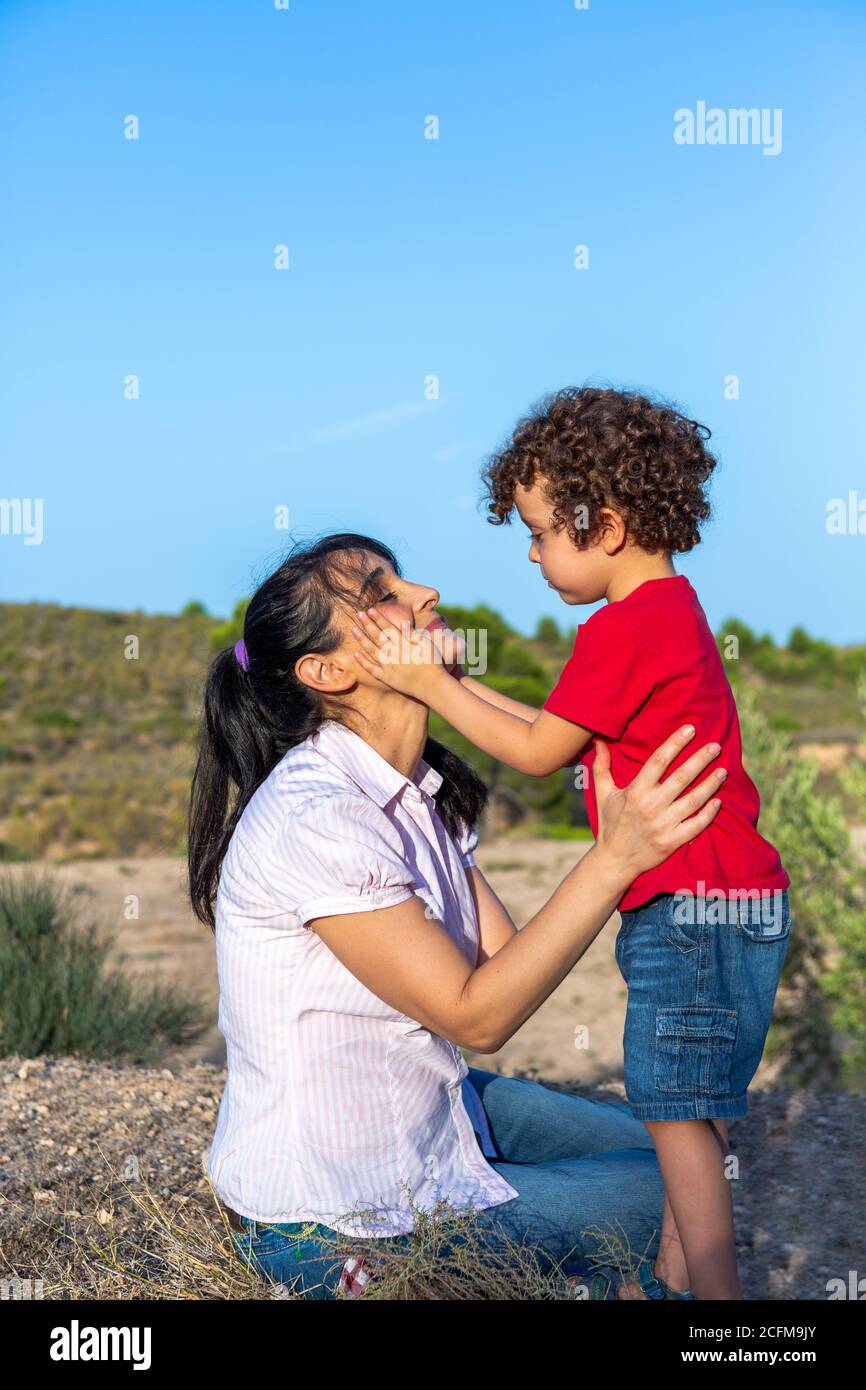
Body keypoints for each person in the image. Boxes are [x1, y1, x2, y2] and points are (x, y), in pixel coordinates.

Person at [188, 531, 724, 1299]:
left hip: (444, 1118)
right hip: (342, 1217)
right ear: (329, 671)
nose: (425, 594)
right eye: (384, 595)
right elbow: (478, 1017)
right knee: (683, 1195)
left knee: (686, 1155)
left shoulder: (416, 794)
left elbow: (501, 960)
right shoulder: (319, 817)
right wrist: (615, 860)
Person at [352, 387, 791, 1301]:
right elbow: (565, 732)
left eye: (545, 531)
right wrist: (456, 691)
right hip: (732, 903)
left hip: (690, 912)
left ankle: (721, 1313)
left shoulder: (622, 627)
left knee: (675, 1125)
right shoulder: (672, 612)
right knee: (690, 1116)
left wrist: (431, 687)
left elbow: (540, 749)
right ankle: (668, 1282)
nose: (533, 552)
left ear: (609, 525)